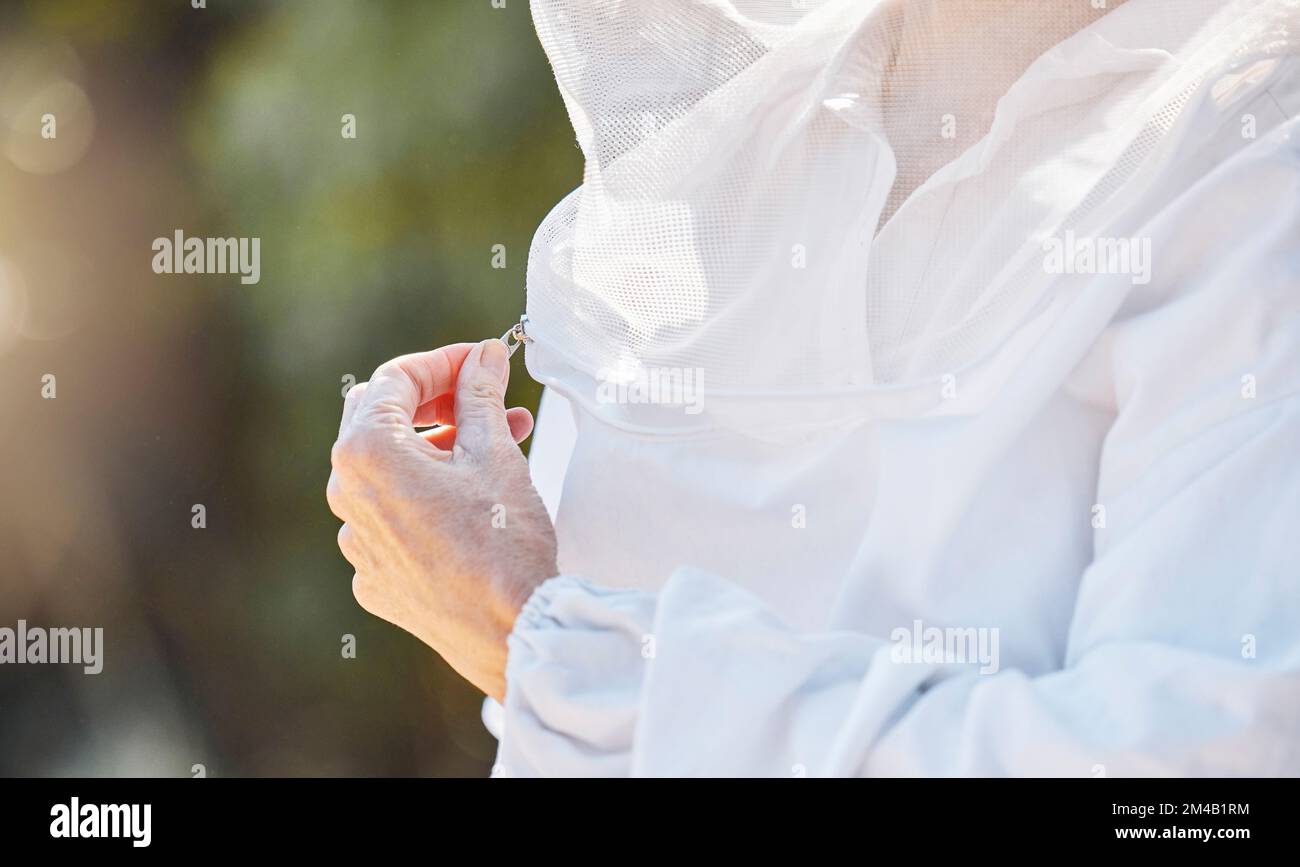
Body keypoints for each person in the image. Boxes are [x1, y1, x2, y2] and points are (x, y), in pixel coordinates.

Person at [326, 0, 1300, 776]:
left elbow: (1193, 780)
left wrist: (545, 648)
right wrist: (524, 630)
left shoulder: (1258, 180)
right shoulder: (729, 141)